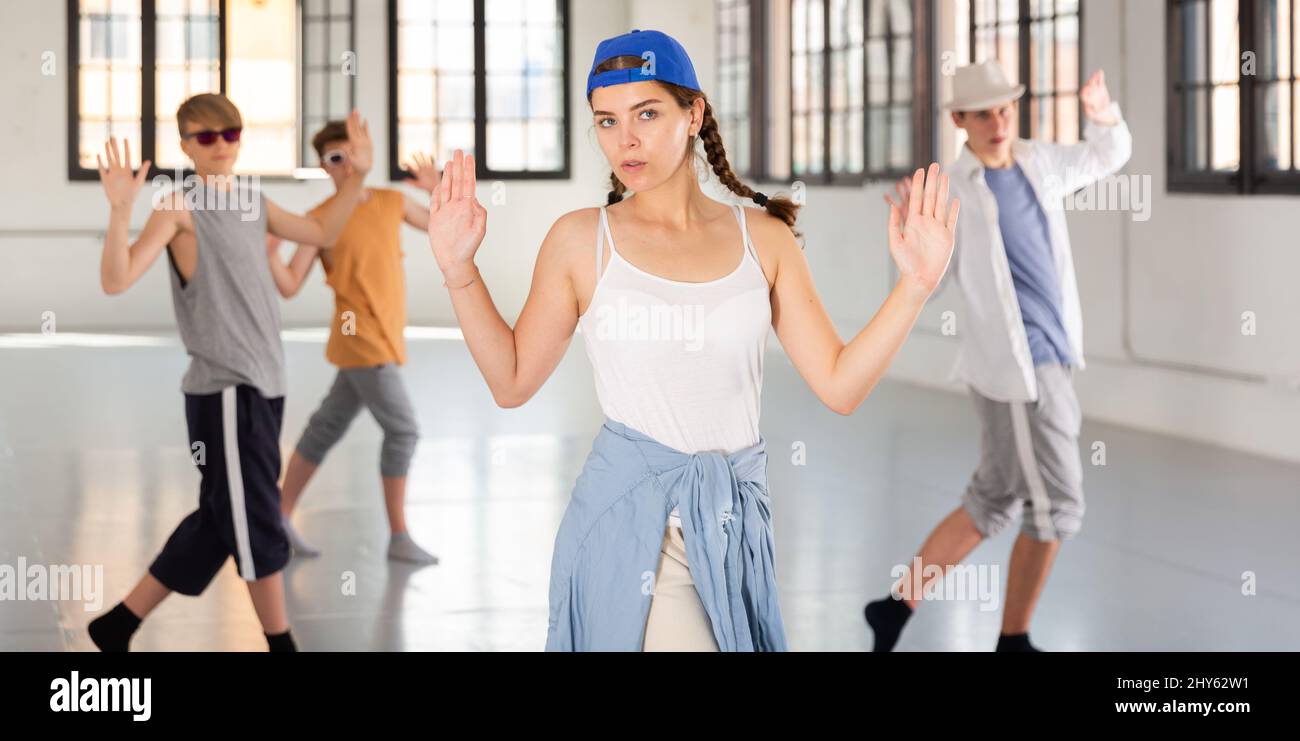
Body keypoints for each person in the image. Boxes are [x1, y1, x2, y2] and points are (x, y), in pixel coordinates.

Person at [425, 29, 960, 651]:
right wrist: (459, 270)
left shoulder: (764, 238)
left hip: (734, 531)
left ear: (693, 113)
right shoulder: (580, 241)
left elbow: (839, 385)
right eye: (606, 121)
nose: (624, 140)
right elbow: (512, 382)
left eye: (646, 114)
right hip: (631, 532)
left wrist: (915, 286)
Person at [86, 94, 373, 652]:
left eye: (231, 133)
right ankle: (281, 643)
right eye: (206, 137)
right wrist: (121, 210)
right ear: (186, 145)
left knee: (224, 516)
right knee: (256, 516)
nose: (221, 144)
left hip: (266, 384)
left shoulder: (252, 199)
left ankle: (117, 624)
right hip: (225, 389)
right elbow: (116, 281)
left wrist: (355, 178)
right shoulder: (177, 207)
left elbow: (320, 233)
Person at [864, 61, 1133, 652]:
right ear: (959, 121)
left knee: (993, 498)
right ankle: (1013, 641)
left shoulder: (1039, 163)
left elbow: (1107, 155)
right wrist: (915, 227)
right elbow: (931, 277)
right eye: (982, 113)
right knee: (1058, 506)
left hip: (1052, 357)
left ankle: (893, 608)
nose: (997, 121)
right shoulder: (954, 191)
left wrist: (1101, 113)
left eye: (1005, 108)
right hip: (1019, 372)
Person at [266, 122, 442, 565]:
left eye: (352, 154)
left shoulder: (392, 201)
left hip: (383, 334)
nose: (345, 166)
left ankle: (278, 518)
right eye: (334, 159)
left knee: (326, 426)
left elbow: (442, 228)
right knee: (403, 430)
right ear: (324, 166)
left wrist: (438, 189)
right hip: (360, 338)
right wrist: (267, 253)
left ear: (367, 153)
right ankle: (399, 534)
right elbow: (289, 283)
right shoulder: (321, 219)